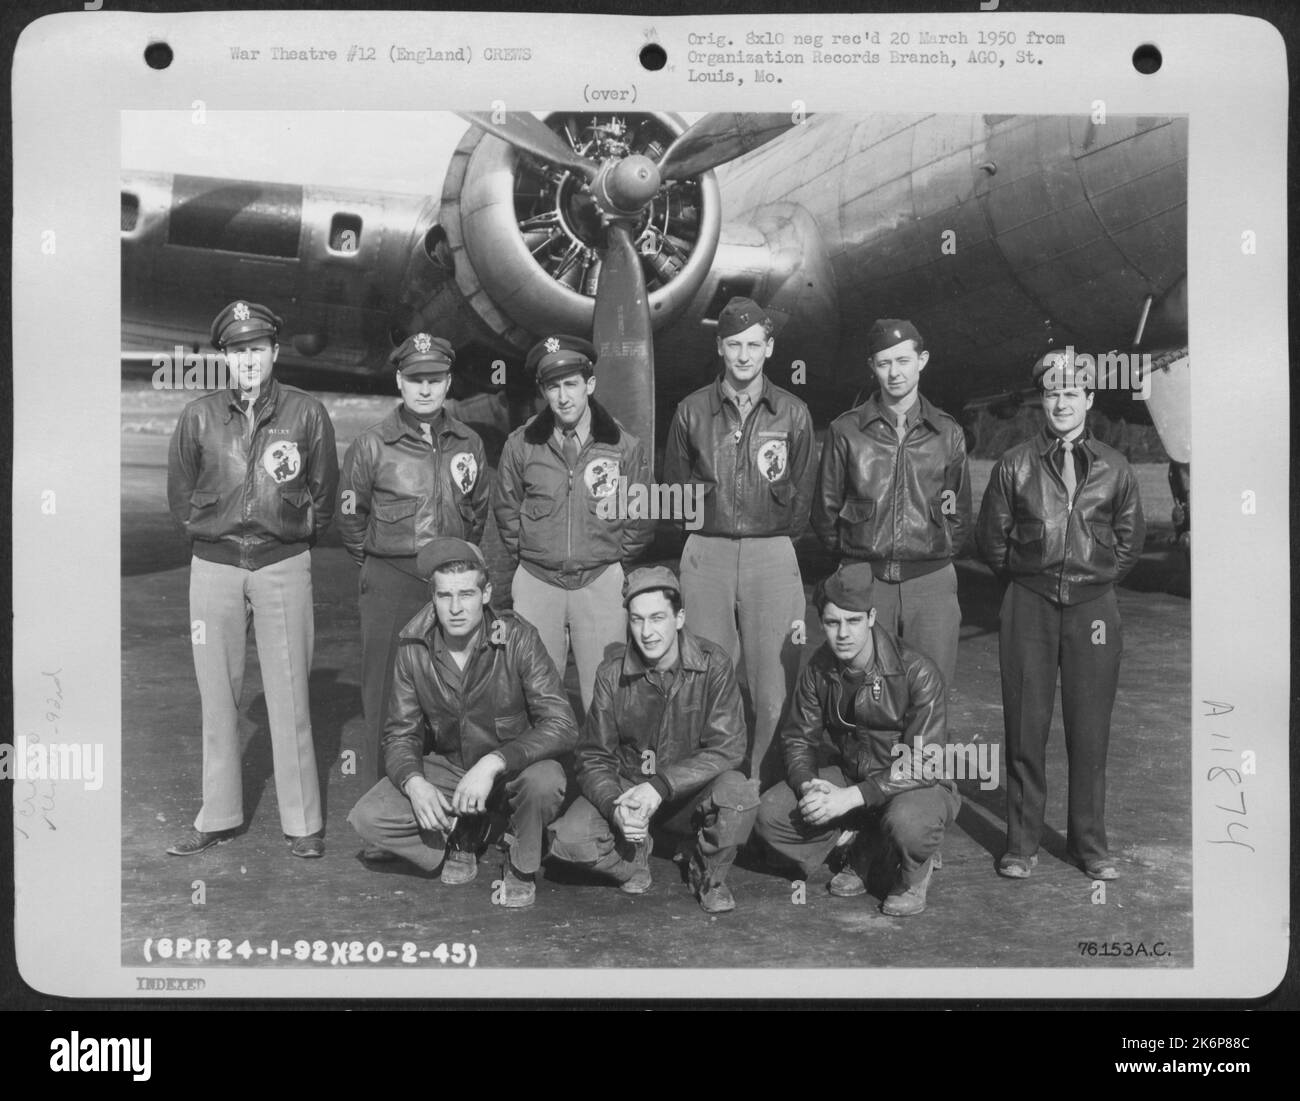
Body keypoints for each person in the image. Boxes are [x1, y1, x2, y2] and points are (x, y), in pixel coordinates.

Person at [165, 300, 339, 858]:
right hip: (213, 566)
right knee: (216, 696)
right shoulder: (198, 416)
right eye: (237, 350)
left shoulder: (307, 413)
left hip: (282, 563)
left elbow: (326, 493)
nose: (247, 359)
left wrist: (295, 530)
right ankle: (217, 815)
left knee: (290, 698)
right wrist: (209, 531)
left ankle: (303, 823)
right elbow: (179, 493)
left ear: (274, 353)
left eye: (256, 349)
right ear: (224, 357)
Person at [976, 350, 1145, 881]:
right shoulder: (1015, 464)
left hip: (1093, 608)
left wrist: (1091, 576)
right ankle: (1020, 844)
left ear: (1090, 400)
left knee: (1089, 731)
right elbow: (992, 540)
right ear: (1040, 401)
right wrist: (1032, 580)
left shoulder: (1116, 467)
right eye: (1053, 393)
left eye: (1073, 393)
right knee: (1026, 726)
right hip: (1029, 602)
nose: (1062, 403)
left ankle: (1089, 846)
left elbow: (1128, 541)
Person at [347, 538, 578, 908]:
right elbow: (399, 734)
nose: (456, 608)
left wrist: (494, 763)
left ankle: (520, 862)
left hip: (512, 770)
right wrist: (414, 781)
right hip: (451, 769)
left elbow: (562, 723)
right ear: (433, 598)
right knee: (368, 817)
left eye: (467, 594)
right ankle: (462, 831)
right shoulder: (413, 647)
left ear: (486, 593)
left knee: (546, 781)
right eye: (445, 596)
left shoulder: (518, 638)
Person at [662, 297, 816, 788]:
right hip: (706, 552)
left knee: (775, 686)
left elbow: (803, 496)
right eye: (734, 345)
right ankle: (708, 793)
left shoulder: (793, 413)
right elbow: (675, 489)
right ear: (720, 348)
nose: (744, 356)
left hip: (772, 551)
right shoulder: (690, 411)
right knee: (705, 677)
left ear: (769, 348)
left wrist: (771, 542)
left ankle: (764, 790)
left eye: (753, 345)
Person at [754, 563, 960, 916]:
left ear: (871, 617)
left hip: (914, 785)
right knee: (770, 816)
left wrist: (851, 797)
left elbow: (924, 763)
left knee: (909, 824)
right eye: (833, 623)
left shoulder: (916, 670)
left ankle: (913, 873)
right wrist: (808, 787)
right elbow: (798, 740)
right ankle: (868, 844)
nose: (843, 634)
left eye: (853, 621)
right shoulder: (818, 670)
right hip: (855, 777)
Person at [548, 567, 758, 913]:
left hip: (689, 796)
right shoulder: (611, 673)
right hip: (629, 792)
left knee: (738, 795)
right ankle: (633, 855)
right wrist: (616, 809)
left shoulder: (713, 665)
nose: (647, 632)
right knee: (569, 839)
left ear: (679, 618)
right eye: (637, 620)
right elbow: (593, 758)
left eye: (658, 618)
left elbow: (728, 747)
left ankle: (707, 872)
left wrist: (662, 785)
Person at [337, 333, 488, 788]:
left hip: (452, 583)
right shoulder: (371, 445)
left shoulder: (469, 443)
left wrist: (454, 566)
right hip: (392, 577)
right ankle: (386, 803)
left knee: (457, 690)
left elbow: (477, 512)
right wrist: (381, 561)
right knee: (387, 695)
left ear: (448, 382)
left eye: (435, 379)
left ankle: (453, 805)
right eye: (416, 379)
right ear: (400, 382)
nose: (426, 389)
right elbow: (349, 516)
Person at [492, 335, 654, 712]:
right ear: (543, 391)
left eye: (571, 384)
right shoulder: (521, 444)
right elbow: (506, 508)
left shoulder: (623, 447)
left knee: (606, 694)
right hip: (537, 582)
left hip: (600, 582)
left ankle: (603, 769)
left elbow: (640, 517)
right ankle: (544, 771)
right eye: (552, 387)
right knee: (534, 693)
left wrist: (608, 560)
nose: (563, 397)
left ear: (590, 384)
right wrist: (534, 554)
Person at [812, 318, 970, 692]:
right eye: (884, 363)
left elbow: (957, 511)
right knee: (866, 690)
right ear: (872, 367)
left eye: (903, 361)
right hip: (866, 580)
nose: (894, 372)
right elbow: (825, 511)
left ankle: (925, 755)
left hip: (930, 583)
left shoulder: (948, 433)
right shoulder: (845, 431)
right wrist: (857, 562)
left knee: (931, 693)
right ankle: (867, 755)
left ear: (922, 360)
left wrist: (935, 550)